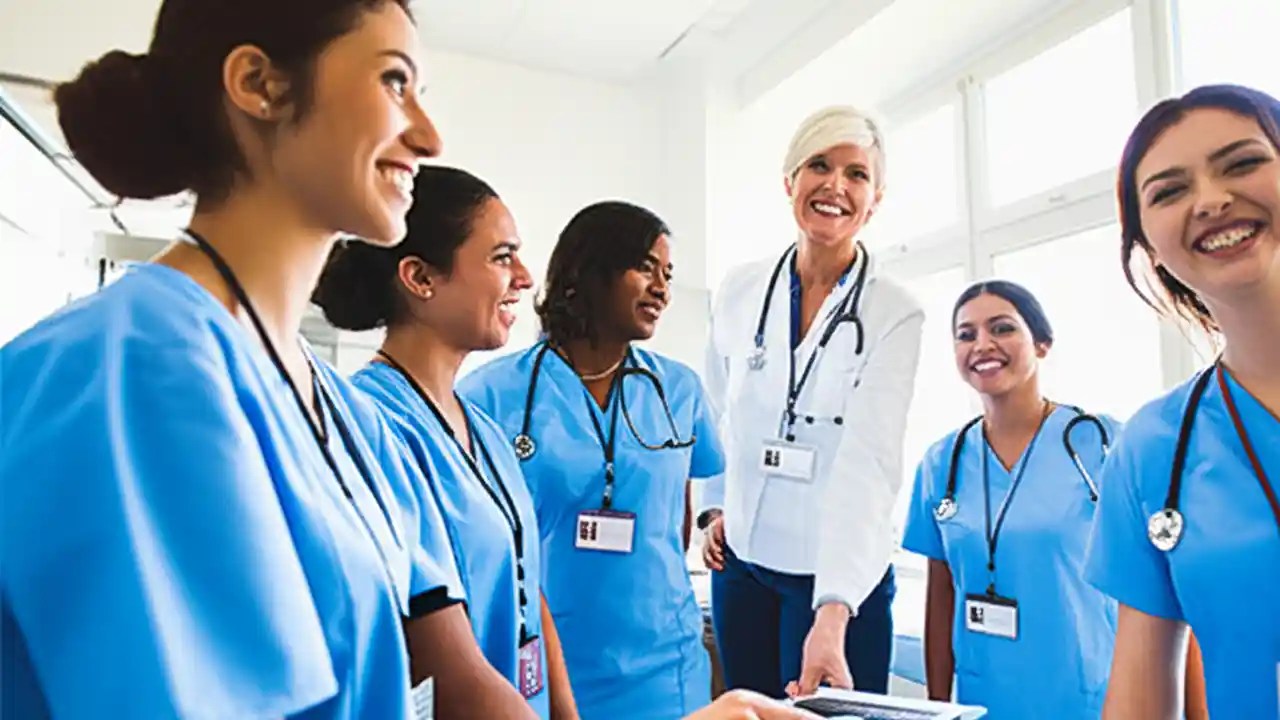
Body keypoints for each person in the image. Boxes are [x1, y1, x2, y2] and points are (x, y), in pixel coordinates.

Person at [0, 0, 480, 716]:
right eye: (393, 82)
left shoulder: (341, 412)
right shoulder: (128, 373)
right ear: (258, 83)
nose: (429, 135)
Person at [312, 165, 576, 719]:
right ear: (421, 278)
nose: (526, 278)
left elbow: (527, 587)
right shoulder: (368, 426)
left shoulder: (482, 429)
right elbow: (447, 671)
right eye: (502, 257)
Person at [460, 200, 725, 719]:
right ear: (589, 269)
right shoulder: (489, 396)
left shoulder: (679, 391)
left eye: (668, 275)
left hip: (665, 668)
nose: (663, 289)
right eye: (645, 267)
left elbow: (676, 525)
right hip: (546, 667)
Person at [700, 105, 925, 699]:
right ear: (789, 182)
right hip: (744, 564)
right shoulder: (741, 289)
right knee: (747, 710)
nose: (835, 186)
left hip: (837, 579)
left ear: (874, 201)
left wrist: (832, 611)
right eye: (819, 165)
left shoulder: (893, 310)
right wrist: (713, 508)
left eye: (856, 174)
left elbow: (870, 462)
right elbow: (716, 411)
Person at [1085, 83, 1280, 720]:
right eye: (1169, 192)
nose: (1212, 200)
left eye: (1243, 163)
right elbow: (1141, 703)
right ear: (1150, 249)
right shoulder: (1153, 448)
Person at [901, 280, 1120, 718]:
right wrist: (938, 706)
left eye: (1002, 328)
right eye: (966, 335)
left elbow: (1158, 588)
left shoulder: (1103, 444)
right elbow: (941, 595)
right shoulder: (942, 462)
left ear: (1041, 343)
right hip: (986, 701)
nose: (982, 344)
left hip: (1089, 696)